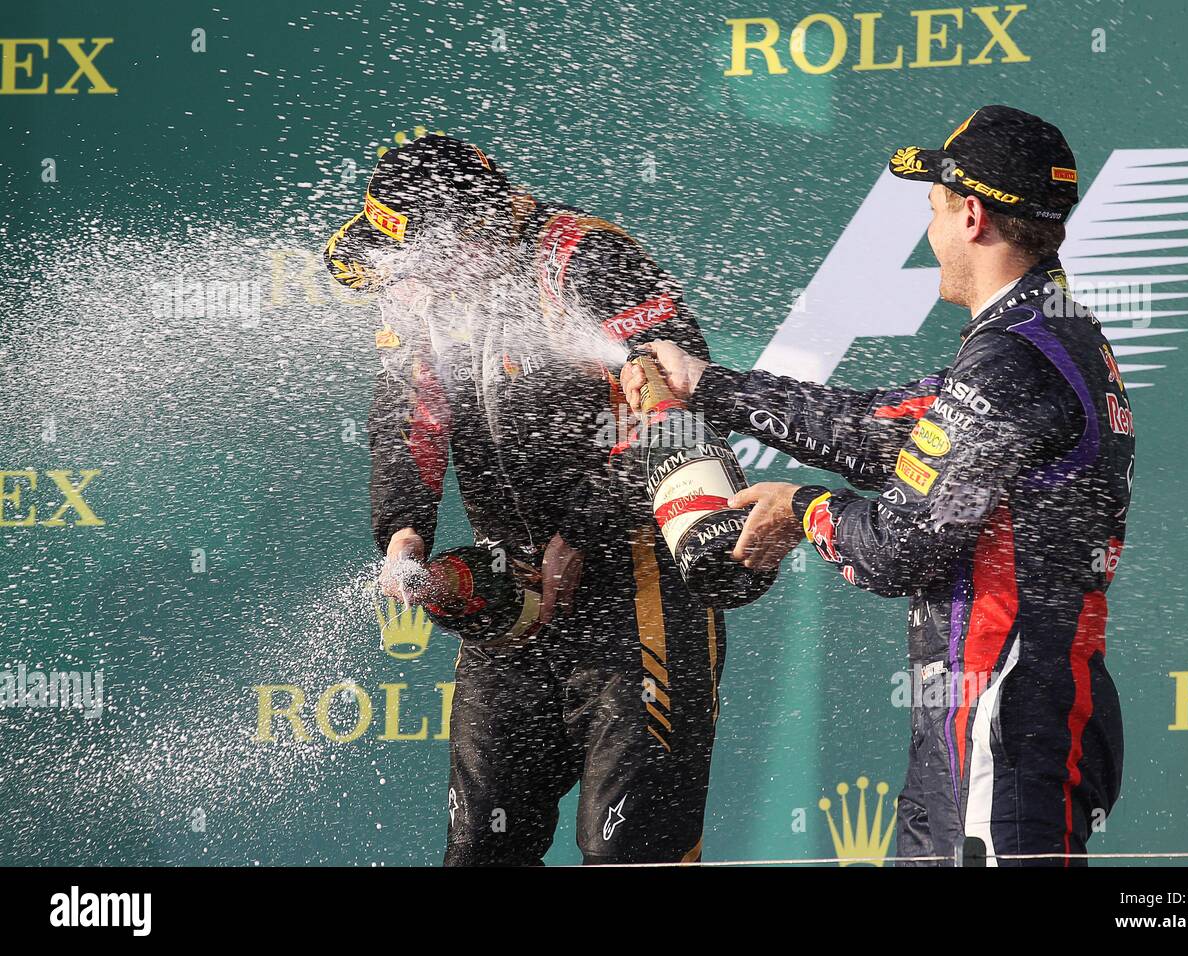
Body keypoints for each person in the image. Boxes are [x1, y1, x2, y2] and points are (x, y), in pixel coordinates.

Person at [622, 106, 1135, 866]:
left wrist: (802, 509)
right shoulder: (1042, 333)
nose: (927, 234)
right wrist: (710, 386)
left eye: (931, 209)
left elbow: (904, 546)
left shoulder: (1013, 361)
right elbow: (875, 428)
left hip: (1003, 716)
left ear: (971, 214)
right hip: (986, 717)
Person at [324, 132, 726, 865]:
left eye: (418, 255)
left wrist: (582, 529)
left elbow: (682, 410)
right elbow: (410, 409)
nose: (404, 275)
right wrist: (404, 530)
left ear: (472, 233)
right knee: (482, 848)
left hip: (635, 587)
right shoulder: (419, 292)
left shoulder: (587, 259)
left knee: (630, 851)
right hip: (514, 595)